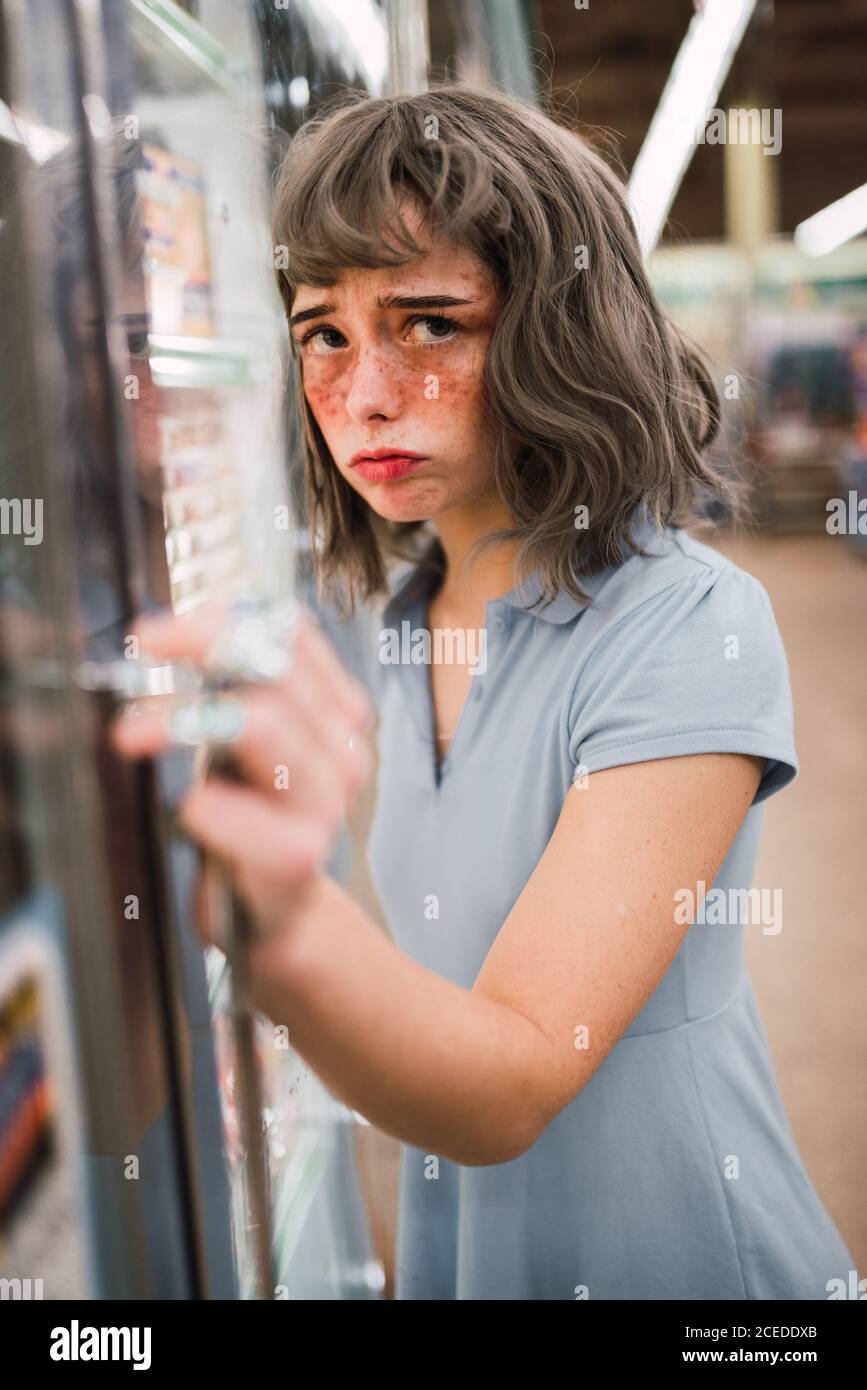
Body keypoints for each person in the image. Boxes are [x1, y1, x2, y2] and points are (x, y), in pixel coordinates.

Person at [111, 85, 856, 1300]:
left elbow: (513, 1075)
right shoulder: (392, 622)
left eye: (430, 323)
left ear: (559, 331)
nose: (364, 394)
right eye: (324, 333)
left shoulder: (690, 624)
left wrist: (281, 923)